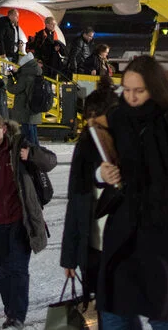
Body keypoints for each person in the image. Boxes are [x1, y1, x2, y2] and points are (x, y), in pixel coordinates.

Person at [95, 55, 168, 329]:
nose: (131, 97)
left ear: (155, 88)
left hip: (160, 231)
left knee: (159, 313)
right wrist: (101, 174)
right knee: (113, 310)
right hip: (123, 226)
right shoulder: (115, 118)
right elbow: (95, 162)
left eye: (139, 90)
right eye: (127, 90)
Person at [0, 111, 58, 328]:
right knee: (3, 270)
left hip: (20, 219)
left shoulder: (19, 146)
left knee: (17, 268)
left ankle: (17, 316)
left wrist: (32, 154)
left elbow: (51, 161)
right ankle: (10, 313)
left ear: (4, 129)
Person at [61, 77, 120, 300]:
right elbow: (75, 201)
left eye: (98, 121)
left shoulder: (131, 144)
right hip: (93, 249)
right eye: (89, 119)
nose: (93, 126)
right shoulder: (84, 147)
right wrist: (69, 257)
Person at [6, 47, 44, 147]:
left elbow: (13, 89)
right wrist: (16, 75)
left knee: (28, 137)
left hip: (25, 109)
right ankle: (36, 151)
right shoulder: (37, 72)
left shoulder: (25, 76)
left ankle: (32, 153)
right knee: (33, 133)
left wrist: (10, 78)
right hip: (34, 108)